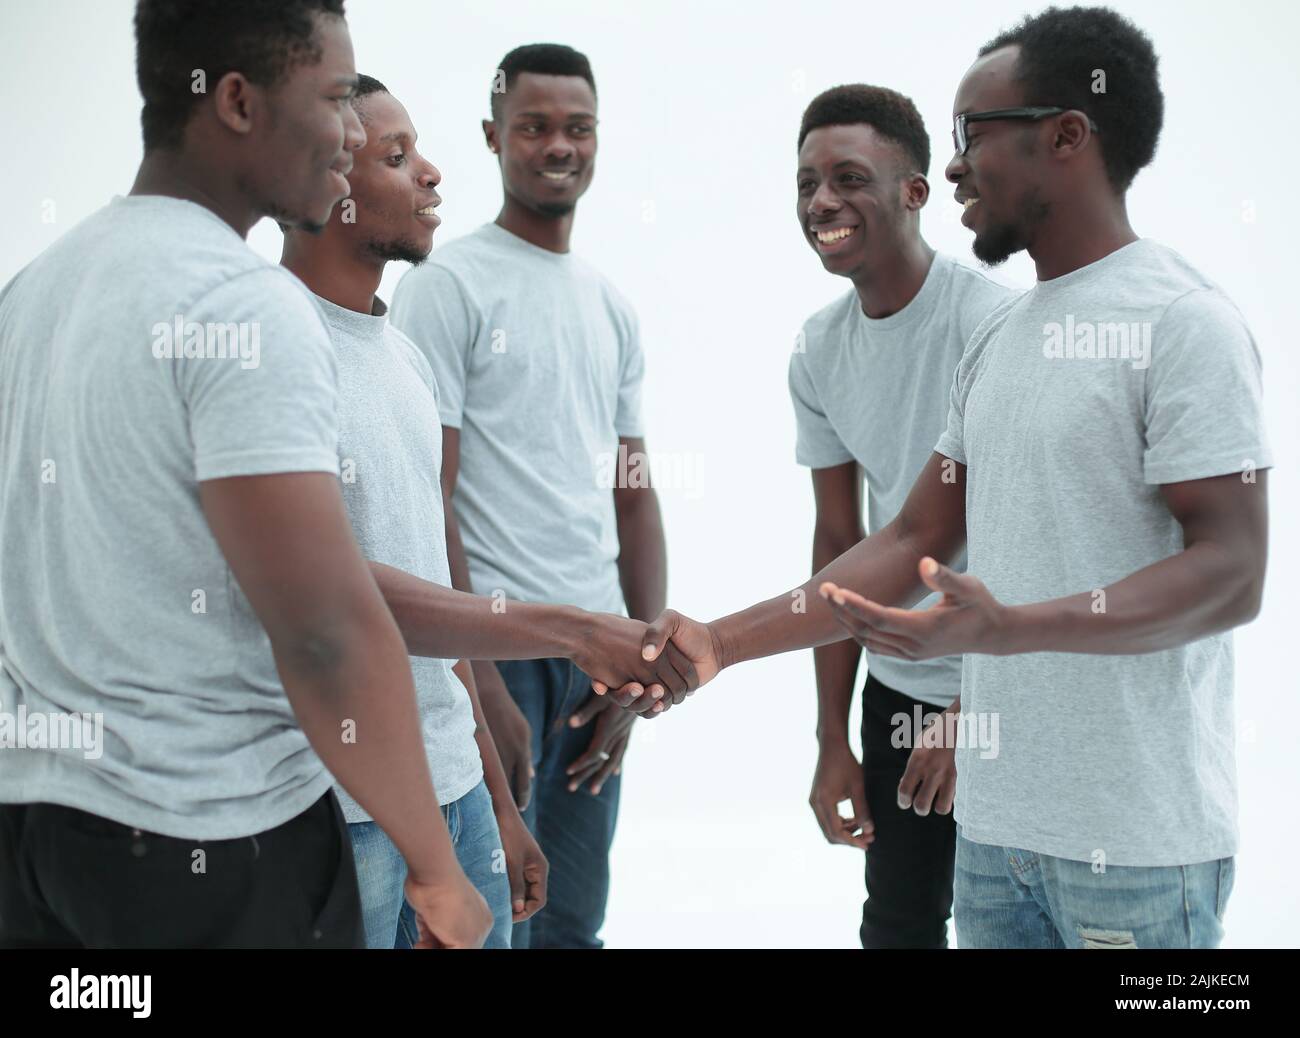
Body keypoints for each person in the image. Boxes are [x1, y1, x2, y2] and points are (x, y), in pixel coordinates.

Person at [605, 5, 1270, 951]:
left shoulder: (1184, 322)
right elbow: (910, 540)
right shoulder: (1000, 340)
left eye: (972, 135)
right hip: (998, 848)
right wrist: (719, 640)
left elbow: (1233, 575)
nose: (953, 166)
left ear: (1067, 135)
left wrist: (1010, 634)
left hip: (1138, 853)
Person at [0, 0, 494, 949]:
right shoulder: (244, 305)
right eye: (336, 99)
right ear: (235, 100)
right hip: (213, 846)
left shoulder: (38, 286)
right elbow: (324, 629)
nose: (348, 133)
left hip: (42, 840)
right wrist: (438, 872)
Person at [390, 43, 668, 949]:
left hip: (598, 659)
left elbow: (634, 488)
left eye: (577, 127)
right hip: (498, 648)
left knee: (573, 922)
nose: (559, 145)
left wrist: (646, 656)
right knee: (484, 916)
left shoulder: (610, 304)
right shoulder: (448, 285)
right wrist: (482, 685)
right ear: (492, 136)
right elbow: (430, 494)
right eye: (535, 126)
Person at [791, 84, 1017, 948]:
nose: (821, 203)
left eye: (848, 177)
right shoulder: (817, 349)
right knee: (897, 927)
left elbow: (1039, 540)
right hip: (896, 693)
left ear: (916, 191)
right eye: (807, 182)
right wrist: (830, 737)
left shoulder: (993, 324)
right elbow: (838, 546)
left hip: (1010, 681)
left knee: (1013, 924)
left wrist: (975, 709)